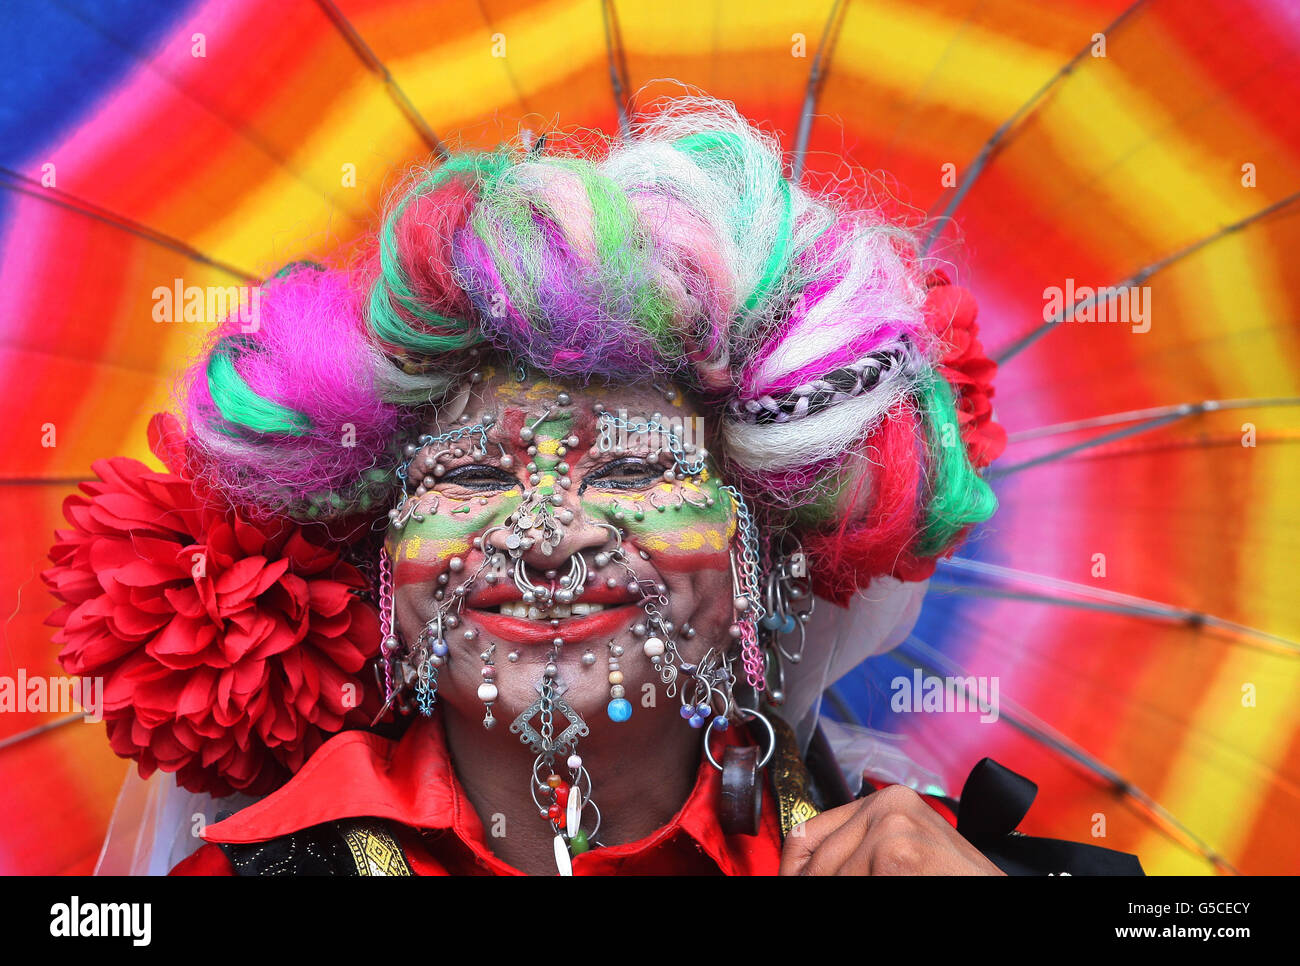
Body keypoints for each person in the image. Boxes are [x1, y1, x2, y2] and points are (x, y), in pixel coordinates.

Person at [46, 99, 1140, 876]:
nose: (545, 536)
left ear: (755, 545)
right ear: (384, 548)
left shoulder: (923, 867)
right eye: (471, 474)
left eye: (631, 468)